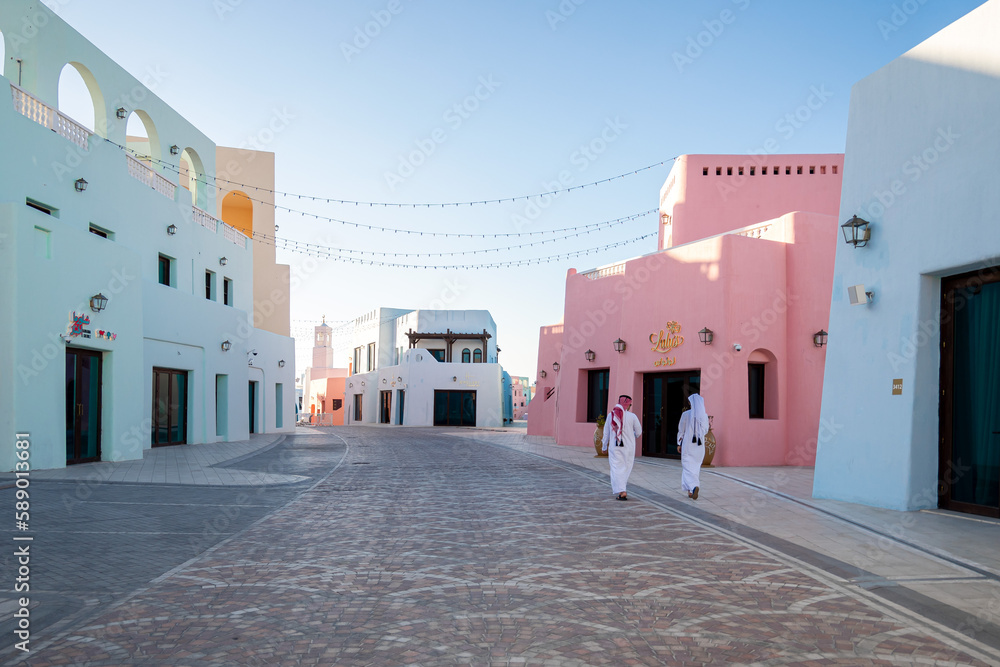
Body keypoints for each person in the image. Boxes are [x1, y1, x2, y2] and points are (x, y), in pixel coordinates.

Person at [602, 394, 642, 501]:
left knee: (616, 468)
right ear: (628, 405)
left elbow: (606, 432)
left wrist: (604, 446)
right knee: (626, 467)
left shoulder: (611, 415)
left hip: (615, 447)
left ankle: (622, 490)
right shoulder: (632, 416)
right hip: (629, 447)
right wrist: (631, 434)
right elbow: (639, 432)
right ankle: (622, 489)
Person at [677, 393, 709, 500]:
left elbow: (681, 430)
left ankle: (694, 486)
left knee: (687, 467)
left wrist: (679, 442)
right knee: (695, 468)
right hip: (699, 447)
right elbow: (705, 431)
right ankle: (691, 491)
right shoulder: (704, 416)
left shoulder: (686, 414)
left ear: (691, 403)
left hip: (688, 445)